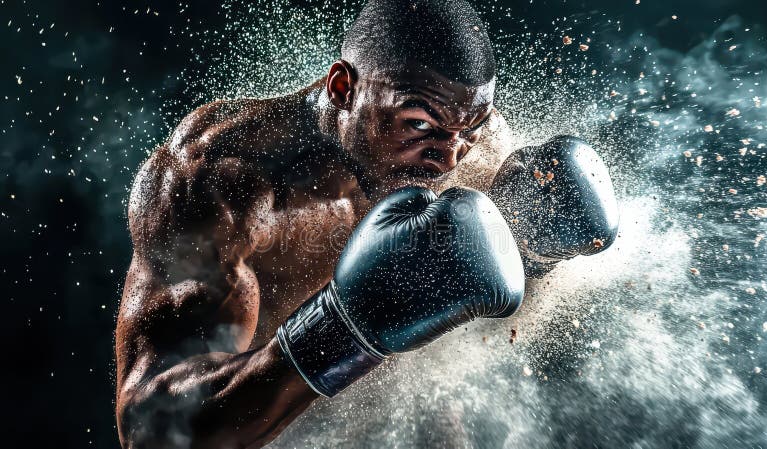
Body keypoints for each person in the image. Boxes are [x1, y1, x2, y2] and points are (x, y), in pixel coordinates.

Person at [114, 0, 619, 447]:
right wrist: (344, 327)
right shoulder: (221, 184)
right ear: (343, 88)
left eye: (470, 130)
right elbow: (151, 430)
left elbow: (483, 288)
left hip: (413, 420)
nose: (448, 159)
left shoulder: (468, 140)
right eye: (418, 125)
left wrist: (537, 251)